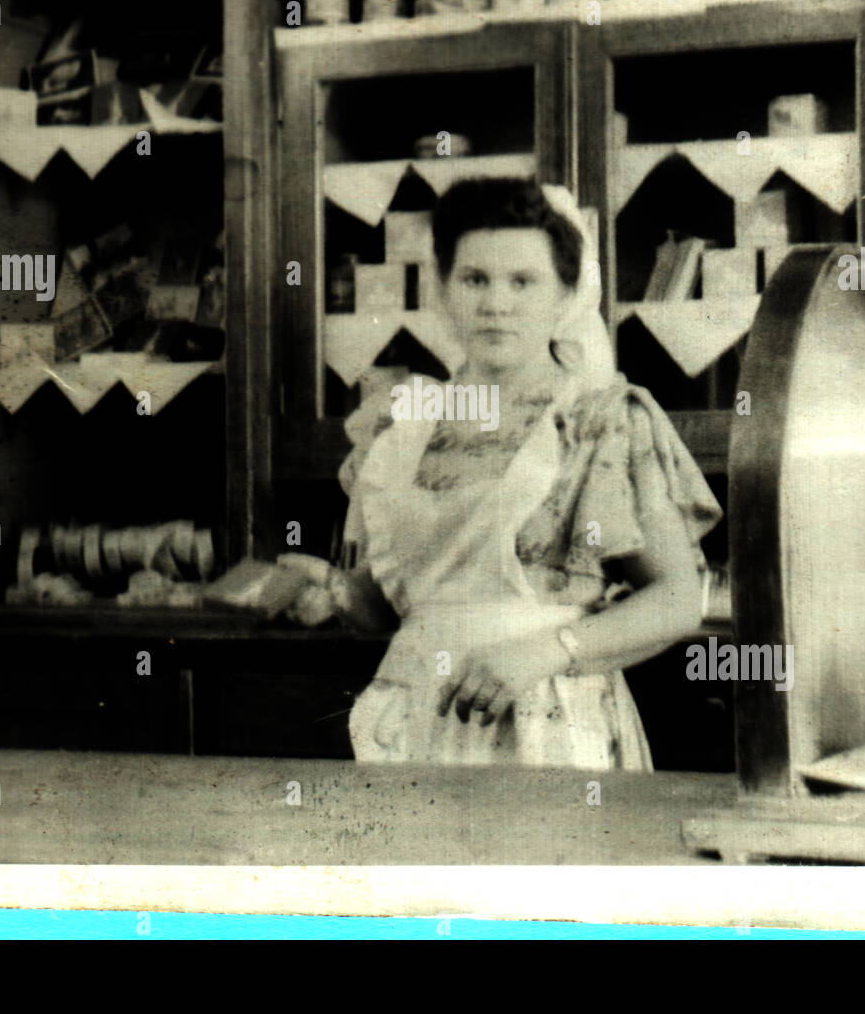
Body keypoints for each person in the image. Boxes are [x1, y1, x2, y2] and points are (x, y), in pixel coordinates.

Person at [278, 178, 722, 770]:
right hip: (416, 717)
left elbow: (676, 601)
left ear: (565, 296)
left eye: (523, 281)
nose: (496, 303)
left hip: (547, 723)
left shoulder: (600, 419)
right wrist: (337, 590)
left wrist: (546, 651)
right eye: (475, 279)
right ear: (441, 289)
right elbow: (396, 607)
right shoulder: (405, 420)